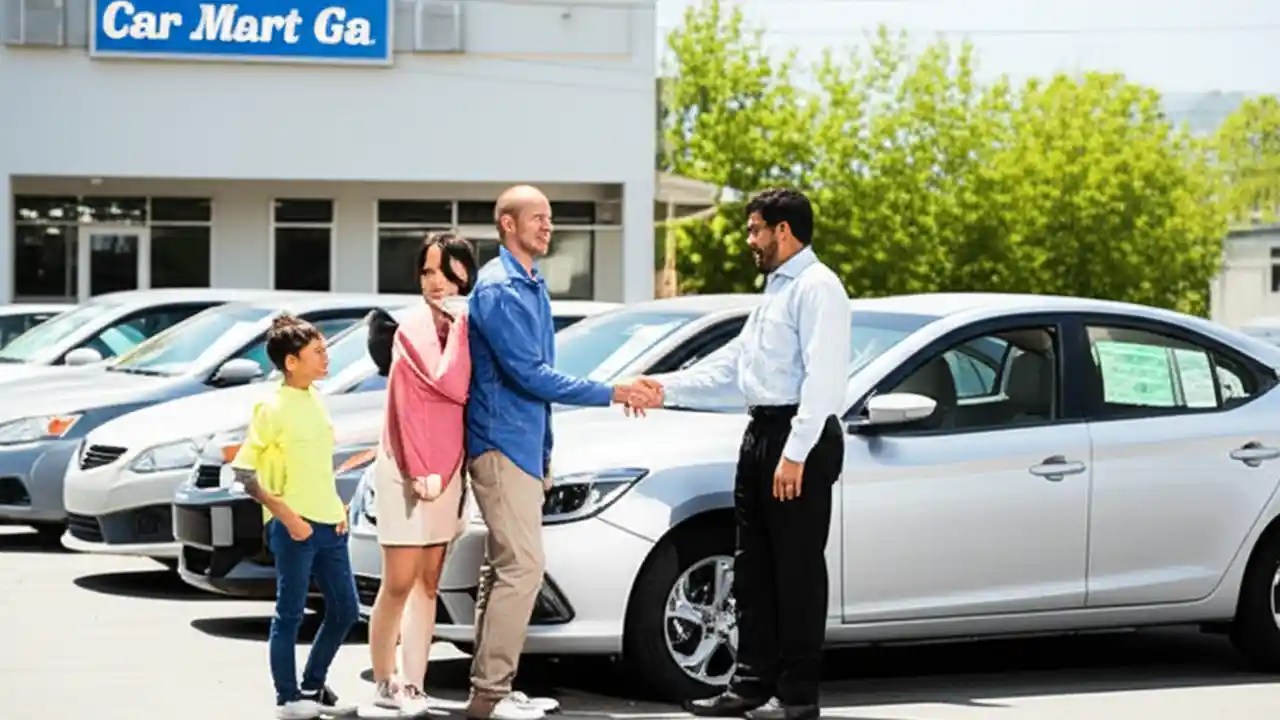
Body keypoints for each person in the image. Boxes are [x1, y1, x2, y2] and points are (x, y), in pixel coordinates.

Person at [632, 189, 851, 720]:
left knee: (796, 573)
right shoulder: (774, 290)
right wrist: (664, 388)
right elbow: (736, 369)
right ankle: (751, 685)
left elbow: (823, 378)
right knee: (753, 571)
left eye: (755, 229)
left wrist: (795, 453)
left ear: (783, 230)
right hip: (760, 435)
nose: (749, 240)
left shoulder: (818, 288)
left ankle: (798, 697)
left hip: (798, 437)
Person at [463, 185, 656, 720]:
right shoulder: (500, 288)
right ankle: (492, 694)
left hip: (525, 444)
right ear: (507, 225)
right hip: (501, 444)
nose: (548, 226)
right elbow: (529, 375)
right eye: (536, 218)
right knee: (523, 569)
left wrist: (545, 450)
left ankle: (491, 690)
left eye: (549, 218)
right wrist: (613, 391)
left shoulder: (529, 283)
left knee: (502, 570)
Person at [362, 233, 479, 717]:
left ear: (467, 275)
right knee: (398, 581)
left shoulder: (465, 325)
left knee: (429, 582)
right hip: (407, 470)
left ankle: (414, 682)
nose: (438, 282)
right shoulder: (412, 331)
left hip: (449, 468)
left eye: (449, 272)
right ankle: (385, 680)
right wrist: (416, 472)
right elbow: (427, 398)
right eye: (429, 272)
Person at [231, 314, 360, 720]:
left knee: (345, 611)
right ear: (291, 361)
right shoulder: (270, 406)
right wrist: (288, 518)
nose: (326, 358)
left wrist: (339, 506)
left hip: (329, 523)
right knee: (289, 612)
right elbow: (244, 474)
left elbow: (318, 464)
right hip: (295, 528)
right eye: (318, 352)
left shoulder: (315, 398)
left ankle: (312, 687)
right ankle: (288, 698)